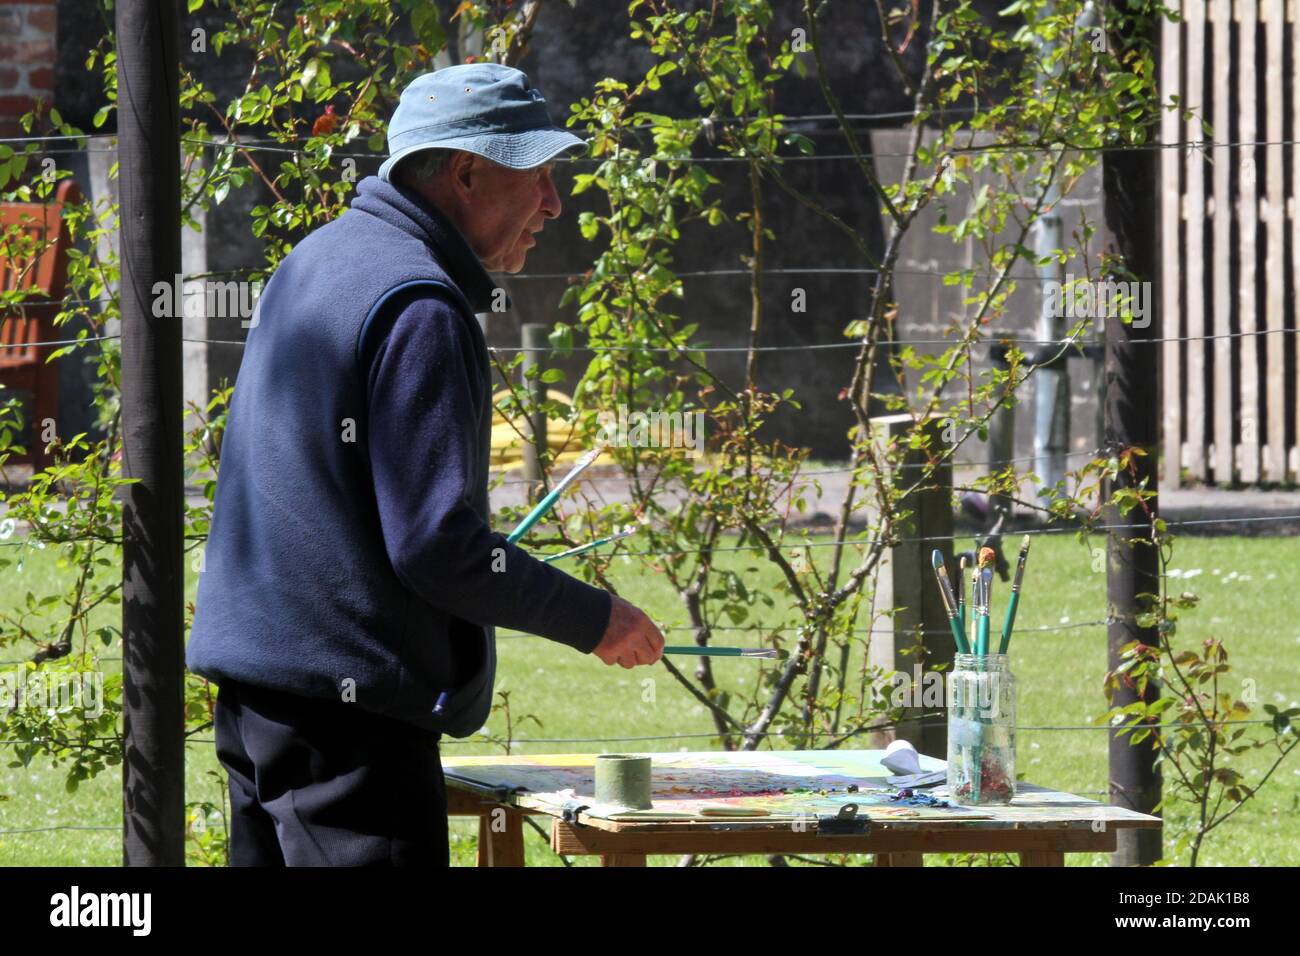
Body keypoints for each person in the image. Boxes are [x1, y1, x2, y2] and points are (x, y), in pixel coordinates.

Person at [186, 63, 665, 866]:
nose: (553, 204)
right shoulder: (420, 306)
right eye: (538, 175)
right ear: (467, 172)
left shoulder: (317, 258)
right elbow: (438, 547)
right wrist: (596, 619)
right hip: (348, 724)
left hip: (261, 703)